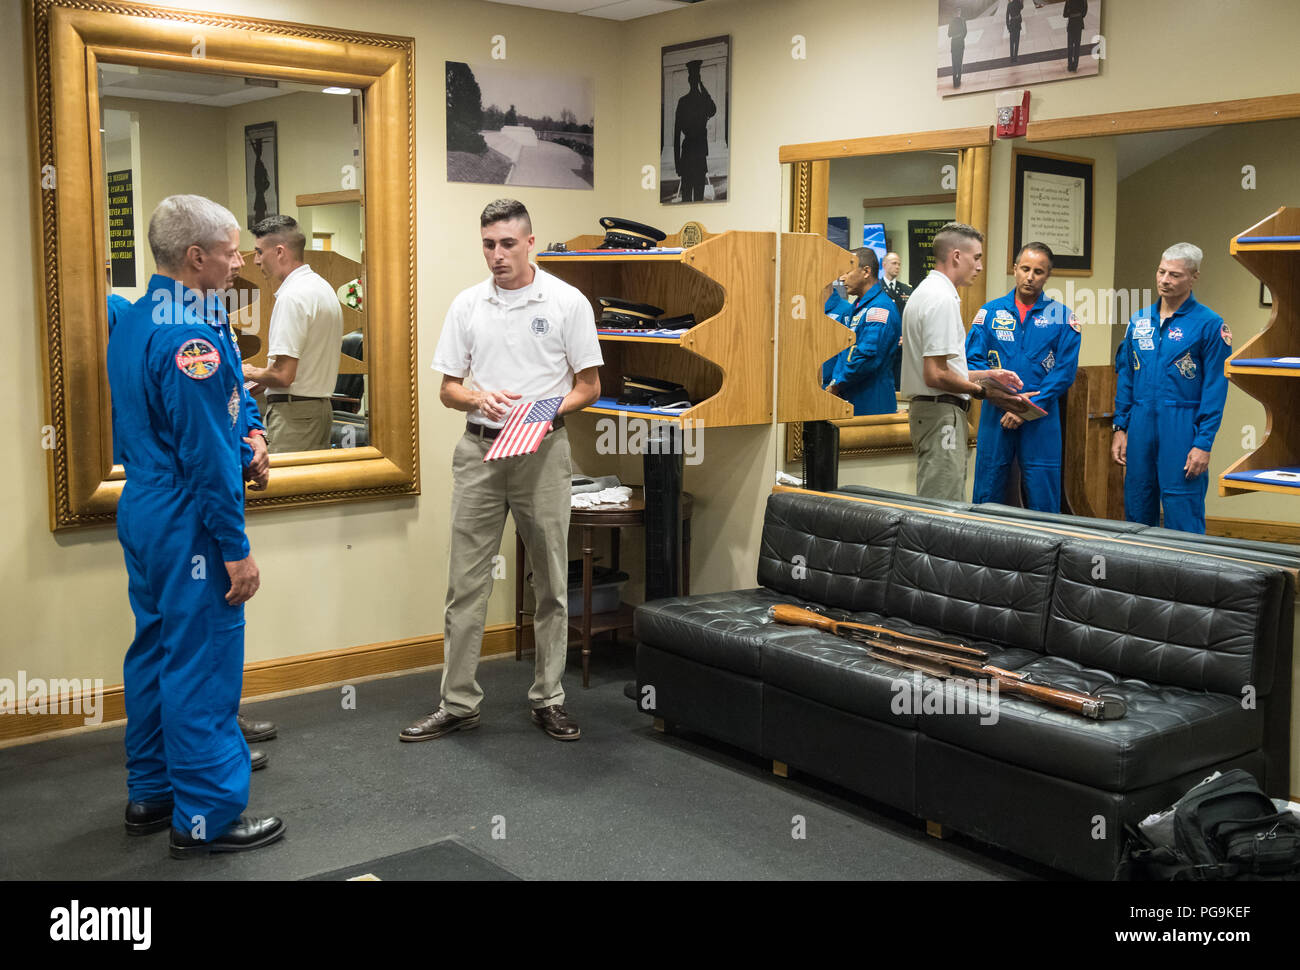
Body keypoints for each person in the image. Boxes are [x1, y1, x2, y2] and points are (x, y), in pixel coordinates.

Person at [107, 194, 282, 857]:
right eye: (233, 251)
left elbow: (212, 413)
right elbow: (204, 456)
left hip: (146, 506)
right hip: (187, 514)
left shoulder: (138, 314)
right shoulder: (189, 336)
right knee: (202, 663)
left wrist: (251, 433)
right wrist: (234, 549)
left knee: (156, 647)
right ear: (196, 257)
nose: (242, 262)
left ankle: (152, 791)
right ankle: (205, 816)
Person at [401, 199, 602, 744]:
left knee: (551, 582)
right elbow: (447, 389)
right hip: (479, 453)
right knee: (464, 584)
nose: (497, 254)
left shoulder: (566, 302)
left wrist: (543, 409)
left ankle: (549, 697)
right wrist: (478, 397)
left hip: (543, 452)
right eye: (488, 244)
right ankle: (458, 703)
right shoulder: (468, 305)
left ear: (530, 242)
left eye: (508, 243)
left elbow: (589, 386)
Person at [901, 222, 1027, 500]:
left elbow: (944, 369)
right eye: (977, 257)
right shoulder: (942, 298)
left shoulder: (924, 291)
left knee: (942, 499)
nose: (980, 266)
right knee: (943, 507)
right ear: (957, 256)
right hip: (941, 413)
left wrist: (986, 376)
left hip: (932, 411)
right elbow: (935, 375)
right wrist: (984, 392)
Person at [1112, 243, 1231, 534]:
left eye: (1175, 275)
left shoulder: (1210, 324)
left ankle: (1190, 576)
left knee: (1182, 507)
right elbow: (1126, 376)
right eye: (1161, 271)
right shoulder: (1139, 321)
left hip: (1182, 424)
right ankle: (1138, 574)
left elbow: (1216, 388)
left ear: (1194, 277)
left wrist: (1203, 443)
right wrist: (1120, 427)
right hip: (1140, 422)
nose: (1165, 280)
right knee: (1137, 505)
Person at [965, 242, 1081, 511]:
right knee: (988, 489)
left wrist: (1025, 408)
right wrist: (1007, 402)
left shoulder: (1063, 317)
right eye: (1025, 269)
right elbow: (973, 361)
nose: (1030, 277)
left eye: (1038, 271)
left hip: (1040, 415)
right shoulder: (990, 312)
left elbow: (1064, 372)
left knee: (1043, 494)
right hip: (997, 413)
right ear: (1014, 269)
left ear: (1048, 275)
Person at [242, 215, 343, 453]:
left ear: (279, 251)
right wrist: (261, 381)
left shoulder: (292, 296)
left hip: (294, 417)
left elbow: (284, 375)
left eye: (259, 252)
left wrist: (250, 372)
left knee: (288, 488)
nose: (256, 261)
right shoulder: (321, 288)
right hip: (316, 411)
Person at [821, 247, 902, 415]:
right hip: (850, 397)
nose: (841, 279)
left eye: (847, 272)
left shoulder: (880, 307)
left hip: (871, 401)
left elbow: (867, 356)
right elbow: (844, 353)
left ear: (866, 271)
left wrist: (837, 384)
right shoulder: (856, 308)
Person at [673, 59, 716, 202]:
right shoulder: (686, 101)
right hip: (692, 153)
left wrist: (678, 163)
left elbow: (713, 110)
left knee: (696, 197)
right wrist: (678, 162)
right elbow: (677, 133)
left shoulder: (697, 101)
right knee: (692, 197)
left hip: (694, 154)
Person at [1064, 0, 1088, 72]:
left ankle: (1070, 66)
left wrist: (1070, 14)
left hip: (1071, 24)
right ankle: (1075, 66)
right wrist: (1079, 15)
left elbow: (1064, 14)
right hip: (1079, 23)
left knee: (1070, 46)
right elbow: (1084, 12)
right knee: (1077, 45)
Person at [948, 11, 967, 88]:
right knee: (957, 63)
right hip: (958, 44)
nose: (958, 13)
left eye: (959, 11)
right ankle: (956, 81)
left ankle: (957, 81)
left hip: (957, 44)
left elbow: (965, 32)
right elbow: (949, 34)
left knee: (957, 63)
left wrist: (957, 36)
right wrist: (960, 36)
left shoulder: (962, 20)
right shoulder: (953, 21)